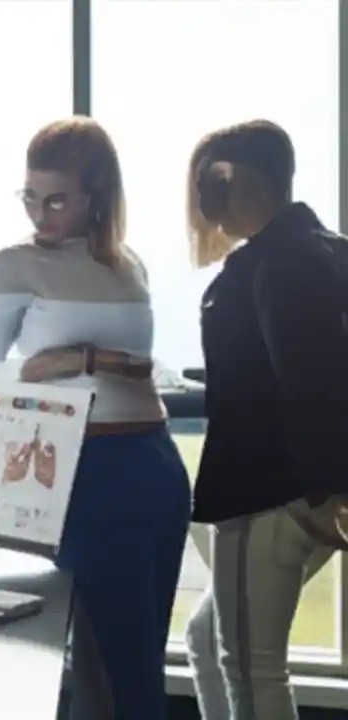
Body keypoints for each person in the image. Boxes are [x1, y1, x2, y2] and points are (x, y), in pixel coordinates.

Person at [0, 117, 191, 720]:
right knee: (110, 671)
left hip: (156, 465)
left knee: (141, 662)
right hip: (84, 469)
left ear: (98, 194)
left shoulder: (130, 264)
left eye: (57, 199)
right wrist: (77, 361)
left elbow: (143, 366)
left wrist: (93, 362)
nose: (40, 214)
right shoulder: (13, 264)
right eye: (30, 197)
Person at [183, 120, 348, 720]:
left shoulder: (279, 261)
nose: (201, 203)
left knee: (253, 669)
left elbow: (311, 377)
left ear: (232, 178)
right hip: (297, 489)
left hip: (269, 492)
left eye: (208, 183)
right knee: (207, 639)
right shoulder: (324, 250)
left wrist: (323, 488)